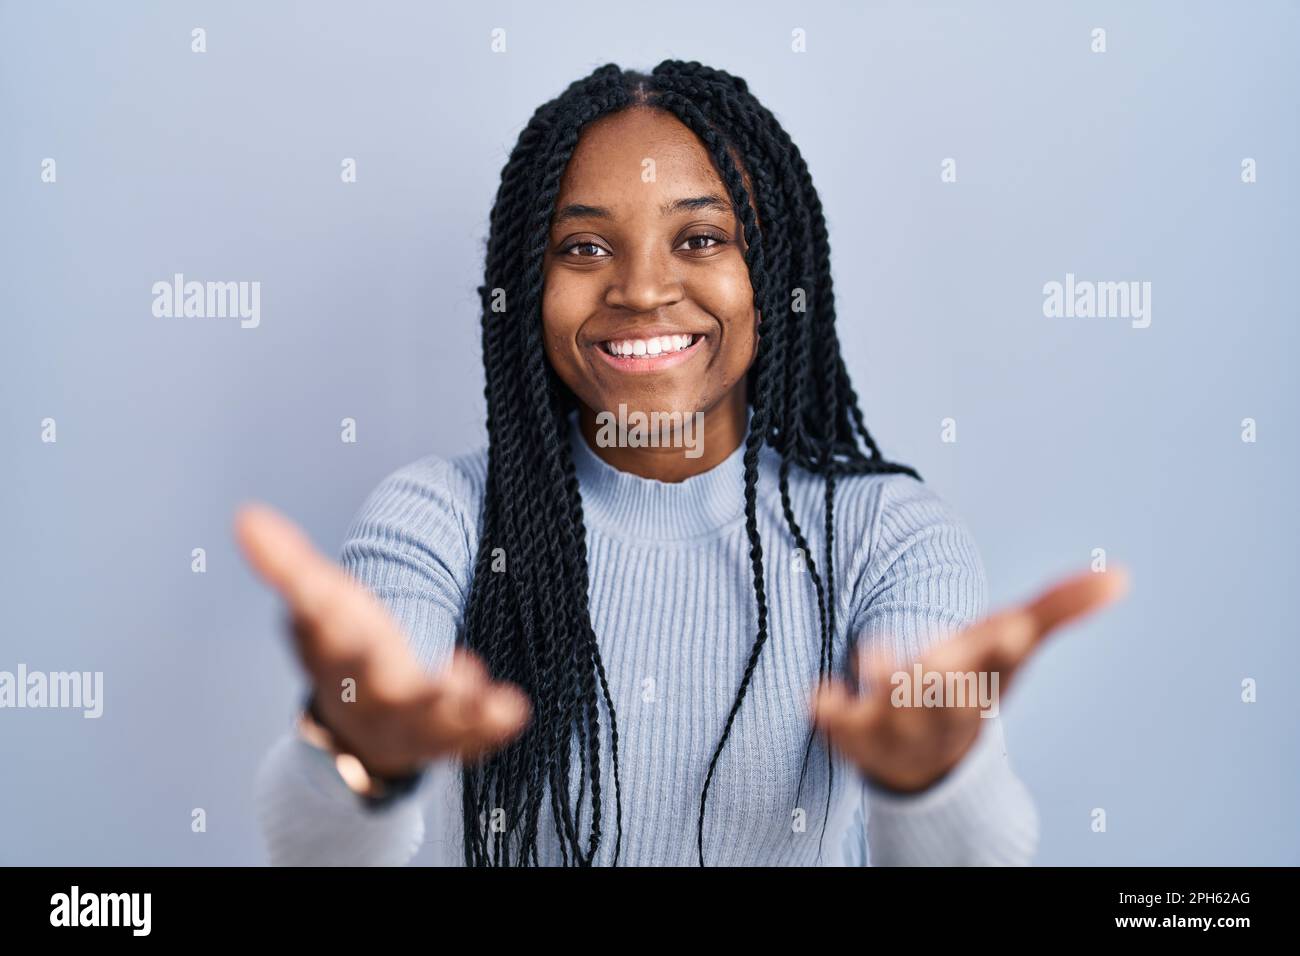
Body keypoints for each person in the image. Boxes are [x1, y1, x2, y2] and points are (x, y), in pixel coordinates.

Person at [235, 61, 1128, 867]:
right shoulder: (442, 519)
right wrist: (360, 753)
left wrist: (932, 778)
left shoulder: (885, 537)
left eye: (700, 238)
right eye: (584, 248)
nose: (642, 289)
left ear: (772, 272)